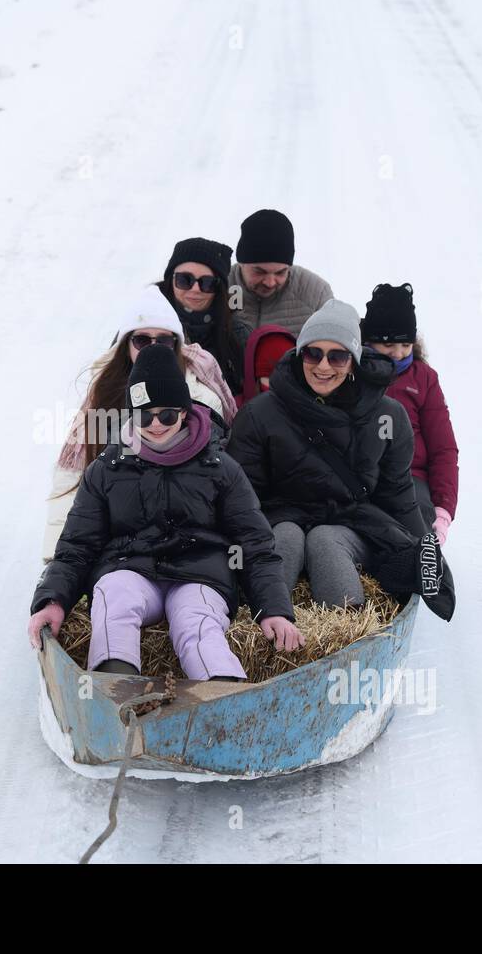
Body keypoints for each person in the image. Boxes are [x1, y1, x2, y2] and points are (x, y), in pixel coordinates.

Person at [29, 345, 302, 679]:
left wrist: (272, 609)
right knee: (112, 597)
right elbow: (77, 545)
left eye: (167, 415)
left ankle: (222, 696)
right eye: (145, 415)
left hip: (201, 574)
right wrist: (52, 600)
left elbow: (255, 543)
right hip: (130, 570)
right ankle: (115, 690)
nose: (156, 424)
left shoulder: (219, 467)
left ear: (184, 412)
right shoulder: (107, 469)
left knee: (196, 620)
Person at [226, 300, 427, 608]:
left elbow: (397, 494)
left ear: (354, 361)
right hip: (280, 520)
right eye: (313, 353)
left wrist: (424, 553)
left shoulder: (387, 416)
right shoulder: (259, 415)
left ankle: (350, 645)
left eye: (337, 356)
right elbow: (243, 498)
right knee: (289, 537)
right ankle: (258, 626)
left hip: (352, 525)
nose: (322, 366)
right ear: (299, 354)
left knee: (324, 540)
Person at [42, 287, 238, 561]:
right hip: (117, 529)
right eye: (142, 340)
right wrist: (57, 557)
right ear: (127, 344)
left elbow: (221, 475)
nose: (154, 347)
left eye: (164, 340)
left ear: (177, 344)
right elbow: (74, 477)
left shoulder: (200, 395)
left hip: (189, 531)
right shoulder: (105, 394)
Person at [361, 283, 459, 545]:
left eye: (405, 344)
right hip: (361, 472)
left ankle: (424, 570)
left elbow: (443, 448)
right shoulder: (352, 372)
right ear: (367, 341)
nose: (398, 354)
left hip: (410, 476)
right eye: (388, 345)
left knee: (417, 515)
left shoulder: (423, 379)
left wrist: (443, 509)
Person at [155, 237, 249, 394]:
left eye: (207, 283)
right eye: (184, 280)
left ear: (219, 288)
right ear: (170, 280)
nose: (195, 289)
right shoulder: (145, 326)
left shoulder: (237, 333)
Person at [228, 209, 334, 335]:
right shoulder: (218, 285)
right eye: (259, 272)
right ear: (241, 263)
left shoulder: (316, 293)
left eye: (280, 273)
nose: (270, 283)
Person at [239, 324, 296, 407]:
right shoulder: (236, 412)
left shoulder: (309, 407)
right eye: (270, 377)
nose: (280, 385)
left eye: (289, 377)